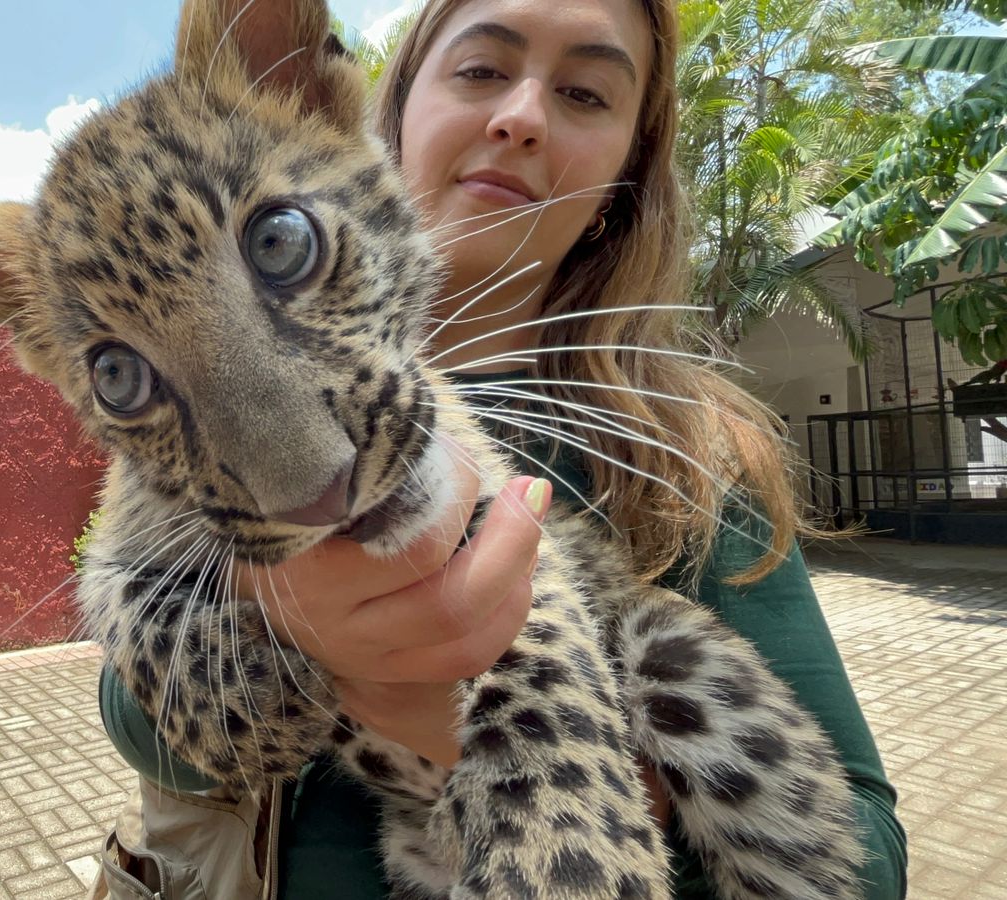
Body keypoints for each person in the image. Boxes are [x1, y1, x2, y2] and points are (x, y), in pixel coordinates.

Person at [98, 0, 908, 895]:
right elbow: (168, 735)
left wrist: (456, 722)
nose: (521, 116)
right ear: (393, 107)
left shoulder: (694, 450)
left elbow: (865, 853)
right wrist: (258, 633)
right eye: (482, 70)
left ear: (623, 177)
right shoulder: (193, 418)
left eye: (586, 93)